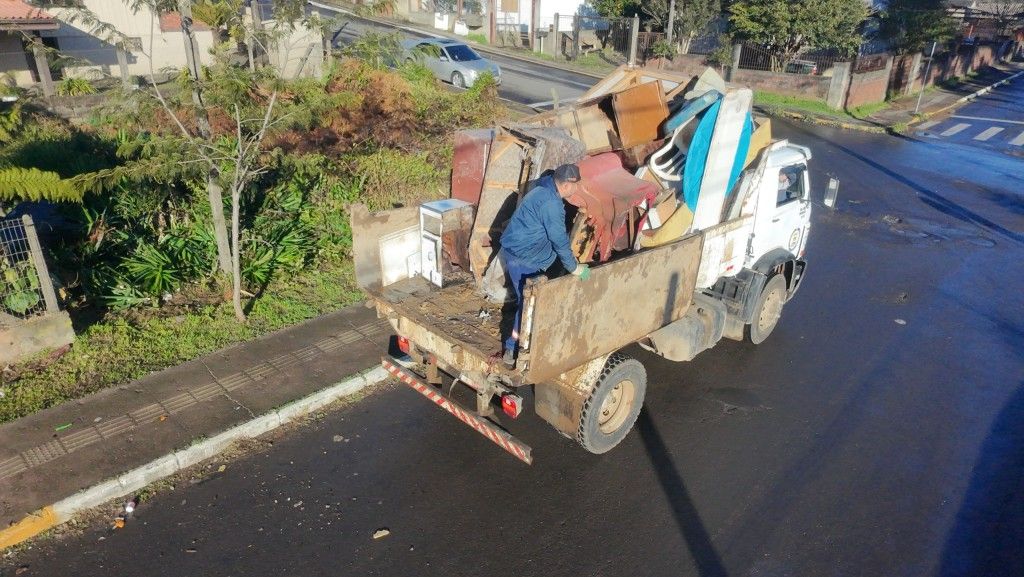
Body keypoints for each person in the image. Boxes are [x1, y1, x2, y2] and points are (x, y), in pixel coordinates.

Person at [498, 164, 590, 367]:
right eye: (576, 185)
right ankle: (513, 348)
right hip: (523, 256)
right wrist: (574, 268)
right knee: (529, 302)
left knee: (527, 297)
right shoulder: (551, 204)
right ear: (566, 185)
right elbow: (560, 241)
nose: (577, 189)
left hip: (516, 249)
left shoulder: (542, 188)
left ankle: (520, 341)